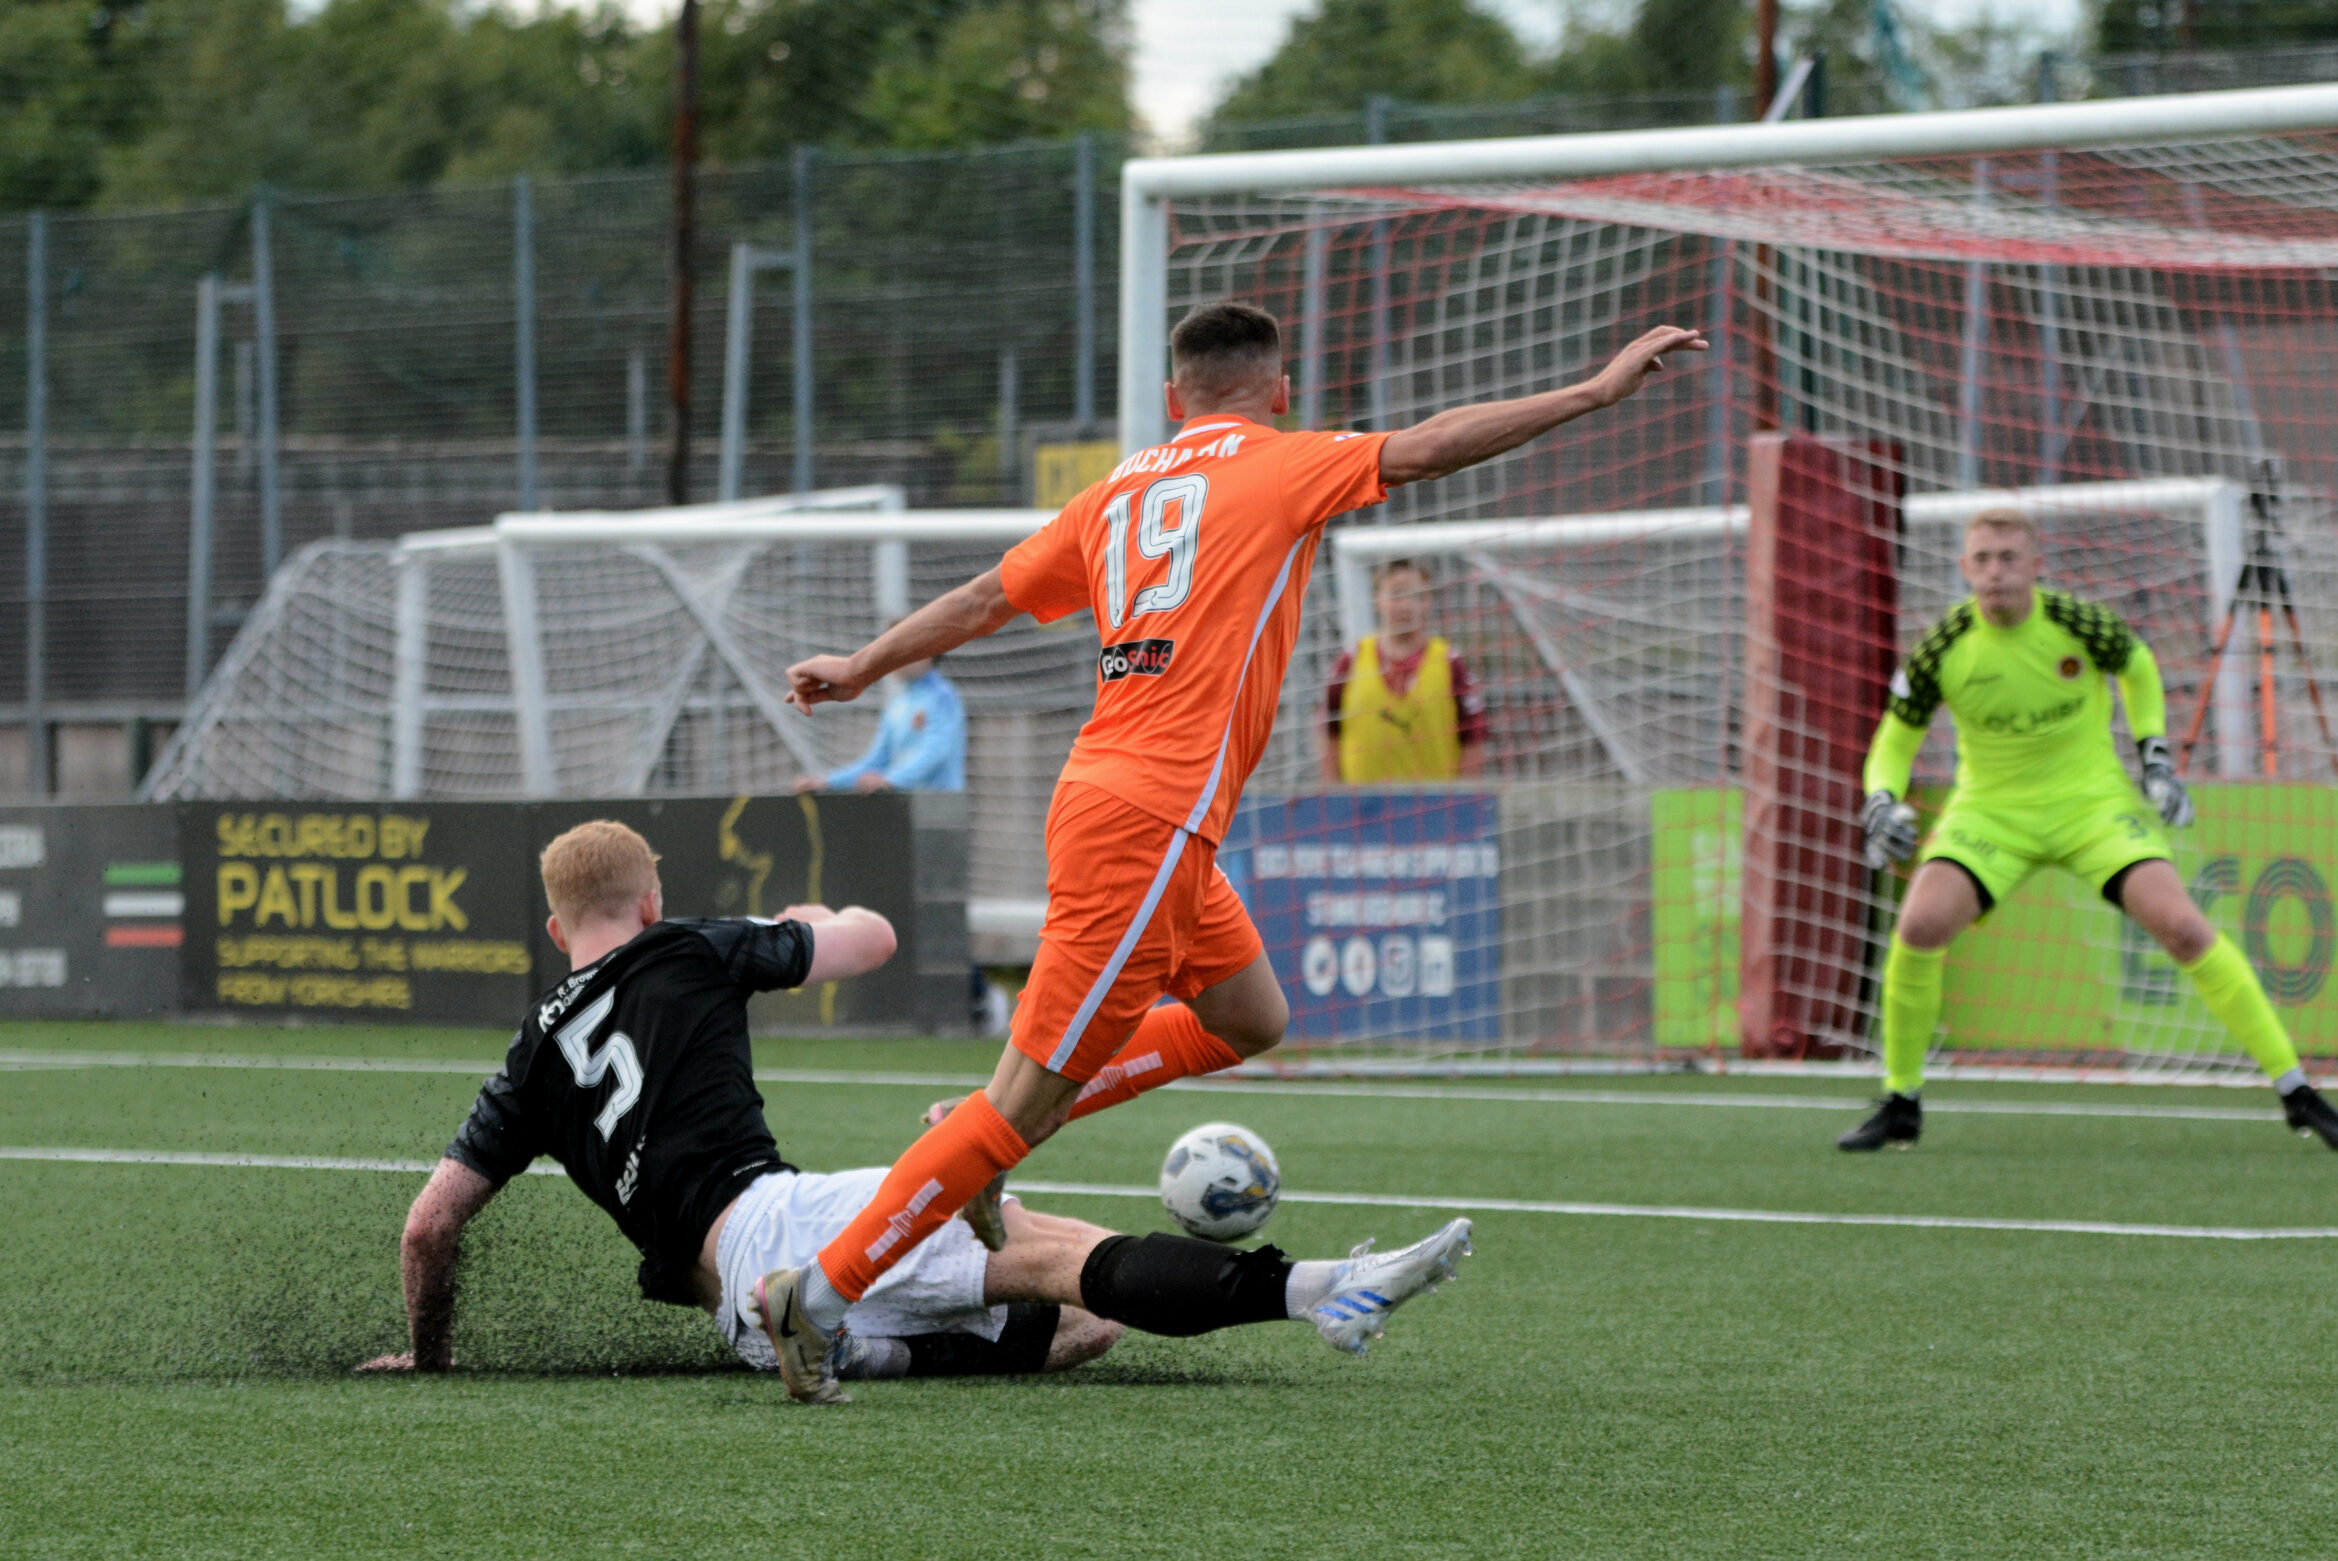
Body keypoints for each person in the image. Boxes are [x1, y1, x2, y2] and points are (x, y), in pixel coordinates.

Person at [771, 299, 1702, 1402]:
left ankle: (993, 1119)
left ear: (1175, 398)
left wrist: (867, 664)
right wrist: (1593, 393)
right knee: (1015, 1104)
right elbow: (1430, 444)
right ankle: (821, 1294)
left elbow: (985, 597)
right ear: (1280, 388)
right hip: (1149, 822)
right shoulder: (1281, 463)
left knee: (1250, 1015)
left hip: (1130, 811)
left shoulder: (1123, 487)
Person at [358, 819, 1471, 1392]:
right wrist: (811, 911)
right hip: (788, 1236)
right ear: (647, 901)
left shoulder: (528, 1057)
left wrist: (433, 1356)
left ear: (558, 931)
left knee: (1086, 1327)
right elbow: (872, 939)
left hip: (747, 1324)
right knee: (1038, 1247)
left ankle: (1024, 1226)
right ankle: (1319, 1291)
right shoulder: (688, 946)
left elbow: (429, 1225)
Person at [1842, 509, 2338, 1153]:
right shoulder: (1941, 648)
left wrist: (2152, 755)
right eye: (1982, 559)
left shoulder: (2076, 623)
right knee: (1919, 927)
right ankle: (1902, 1101)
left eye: (2009, 557)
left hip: (2090, 806)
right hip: (1990, 815)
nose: (1996, 572)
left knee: (2184, 928)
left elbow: (2139, 665)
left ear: (2037, 565)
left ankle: (2297, 1092)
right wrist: (1880, 798)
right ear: (1964, 569)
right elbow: (1893, 741)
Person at [1321, 559, 1489, 783]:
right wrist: (1334, 795)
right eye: (1397, 594)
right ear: (1377, 599)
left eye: (1418, 596)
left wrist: (1462, 802)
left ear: (1429, 602)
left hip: (1435, 808)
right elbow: (1327, 731)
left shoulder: (1449, 662)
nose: (1407, 605)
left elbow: (1473, 738)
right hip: (1362, 809)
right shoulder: (1352, 660)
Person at [794, 656, 966, 794]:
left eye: (905, 649)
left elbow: (936, 752)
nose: (894, 658)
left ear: (927, 654)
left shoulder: (942, 697)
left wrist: (892, 780)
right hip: (904, 807)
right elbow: (877, 760)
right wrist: (827, 782)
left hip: (941, 810)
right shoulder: (898, 704)